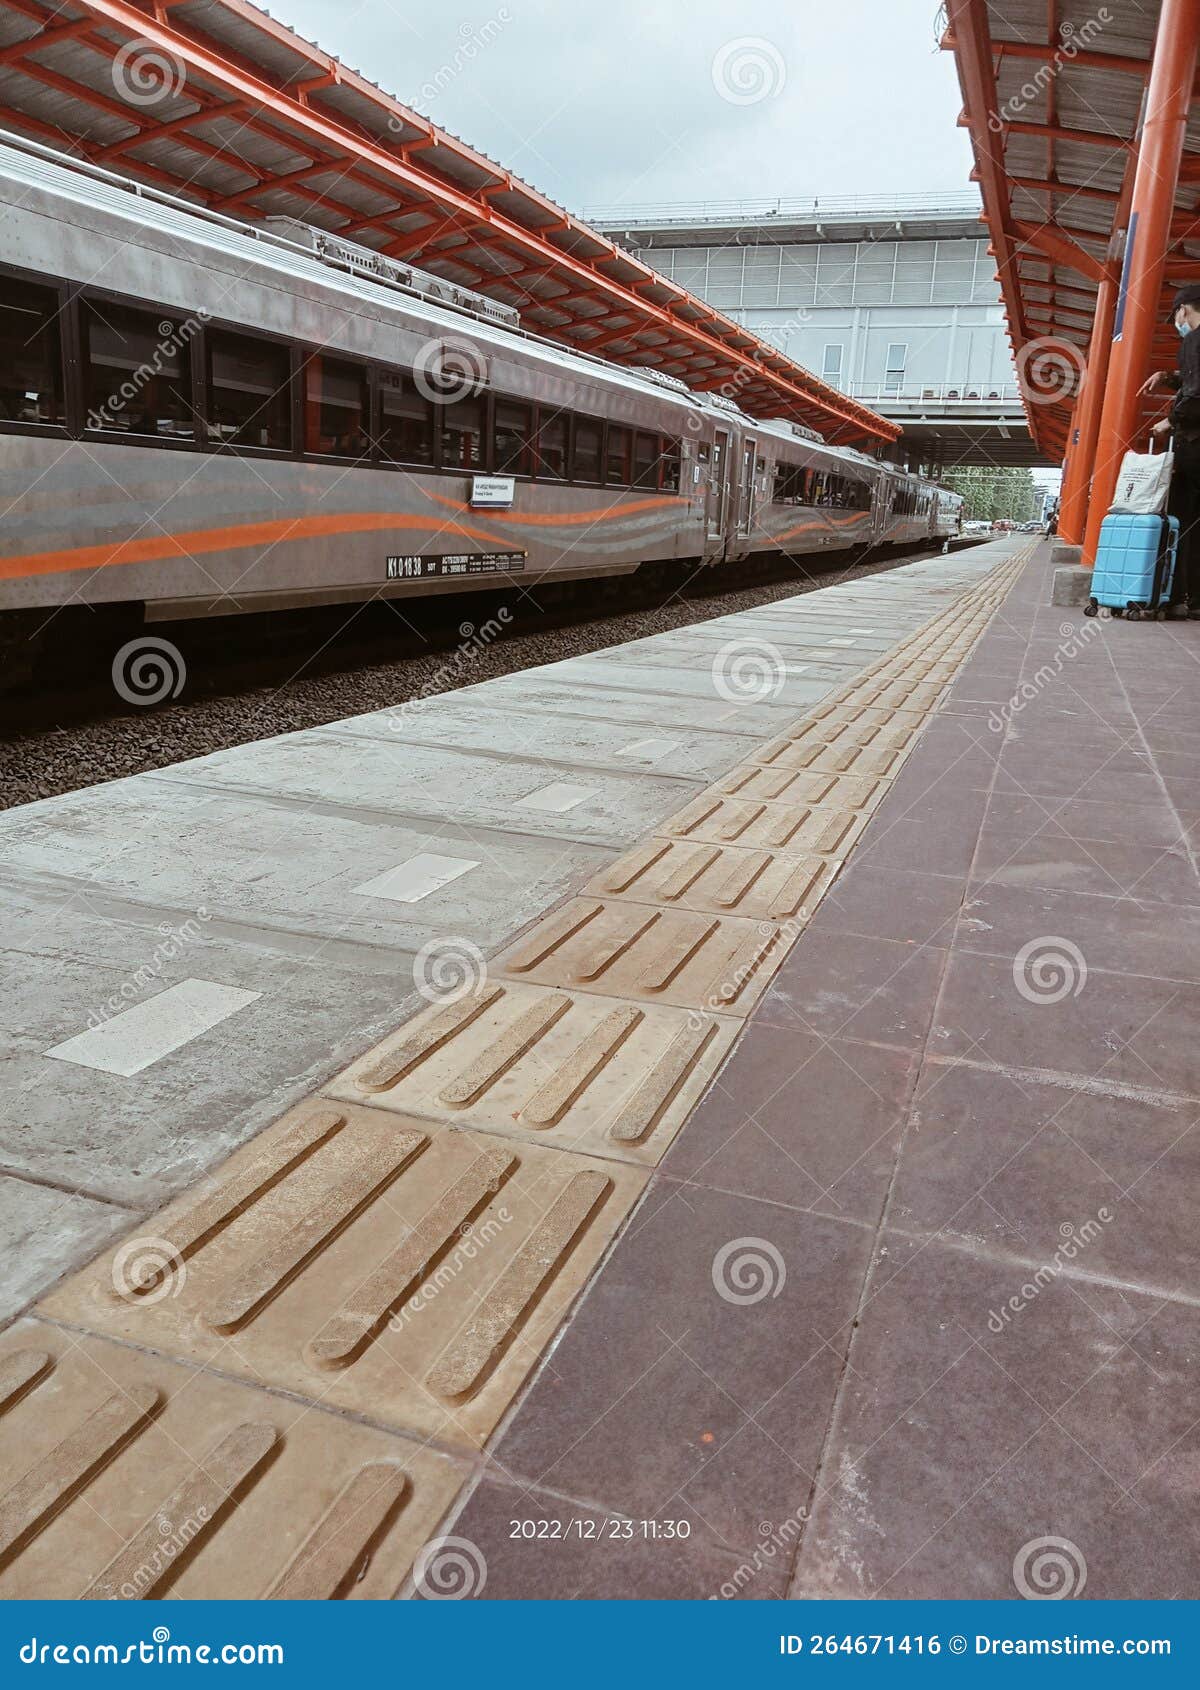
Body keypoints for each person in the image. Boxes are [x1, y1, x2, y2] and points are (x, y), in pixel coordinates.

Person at [1137, 281, 1200, 617]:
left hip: (1193, 447)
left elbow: (1196, 395)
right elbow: (1193, 381)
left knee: (1179, 520)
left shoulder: (1193, 339)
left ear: (1183, 310)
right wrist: (1167, 376)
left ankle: (1173, 597)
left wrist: (1170, 422)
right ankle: (1195, 602)